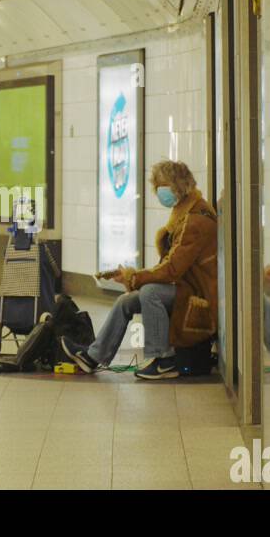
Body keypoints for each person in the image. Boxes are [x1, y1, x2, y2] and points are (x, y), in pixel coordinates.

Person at [61, 160, 218, 380]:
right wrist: (134, 278)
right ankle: (94, 356)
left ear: (178, 185)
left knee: (149, 292)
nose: (158, 191)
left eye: (162, 185)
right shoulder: (184, 213)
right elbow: (170, 266)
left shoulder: (195, 220)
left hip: (197, 297)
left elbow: (172, 269)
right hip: (185, 289)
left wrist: (136, 278)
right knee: (127, 301)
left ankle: (163, 360)